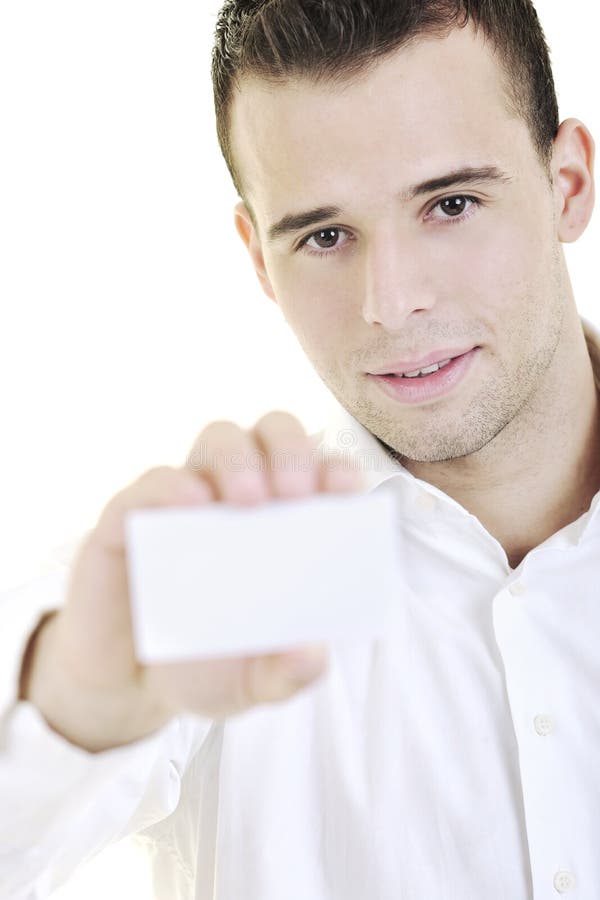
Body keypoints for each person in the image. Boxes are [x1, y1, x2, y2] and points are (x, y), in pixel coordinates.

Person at [2, 0, 599, 897]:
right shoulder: (211, 583)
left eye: (451, 203)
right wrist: (75, 715)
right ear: (256, 257)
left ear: (567, 184)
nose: (390, 302)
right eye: (325, 235)